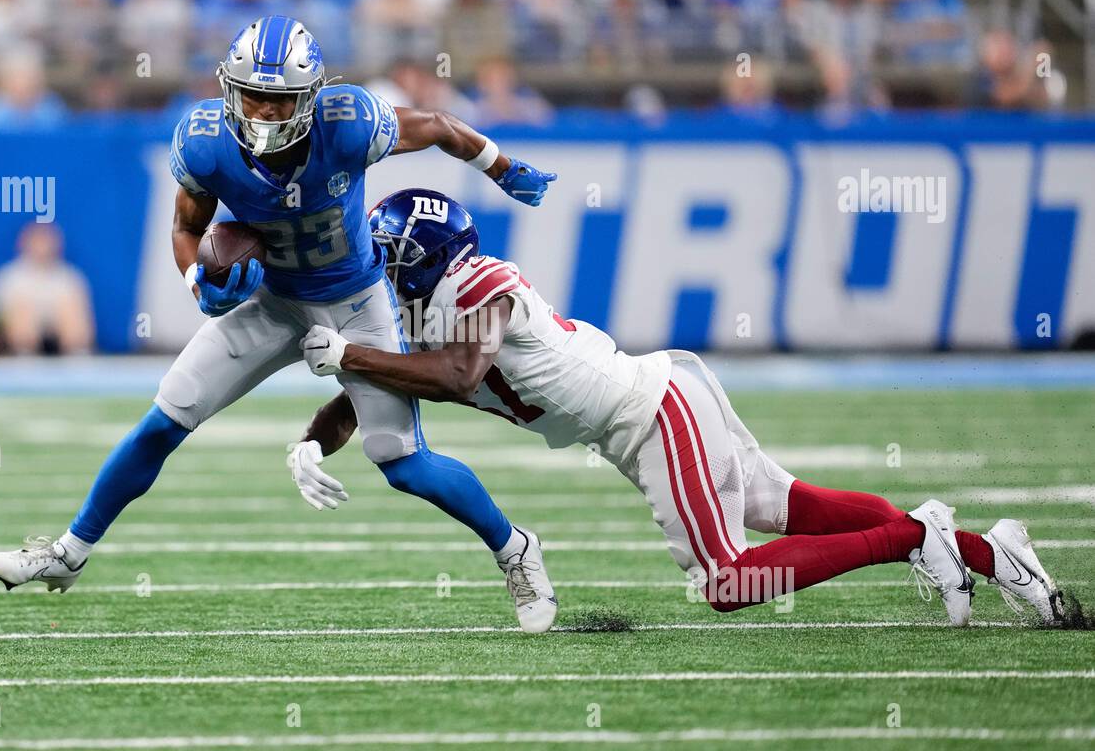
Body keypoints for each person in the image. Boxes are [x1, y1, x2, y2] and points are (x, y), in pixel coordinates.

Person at [0, 17, 562, 632]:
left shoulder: (350, 123)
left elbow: (440, 126)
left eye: (278, 98)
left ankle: (515, 549)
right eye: (250, 93)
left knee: (401, 461)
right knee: (165, 418)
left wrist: (503, 168)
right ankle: (68, 555)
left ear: (309, 97)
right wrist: (196, 282)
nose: (260, 110)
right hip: (274, 301)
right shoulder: (205, 140)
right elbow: (185, 230)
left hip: (353, 300)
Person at [290, 189, 1064, 626]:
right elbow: (369, 395)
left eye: (392, 257)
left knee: (728, 582)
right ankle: (994, 553)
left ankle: (915, 535)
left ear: (425, 256)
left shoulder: (476, 283)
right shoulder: (421, 317)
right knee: (788, 508)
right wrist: (313, 443)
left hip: (654, 413)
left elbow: (458, 374)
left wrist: (348, 353)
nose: (383, 272)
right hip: (648, 412)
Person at [0, 223, 94, 356]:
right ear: (24, 243)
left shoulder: (70, 278)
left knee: (70, 310)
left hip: (60, 341)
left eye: (46, 241)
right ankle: (24, 359)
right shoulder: (8, 277)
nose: (42, 247)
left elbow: (84, 322)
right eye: (38, 241)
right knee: (22, 311)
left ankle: (77, 360)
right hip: (17, 342)